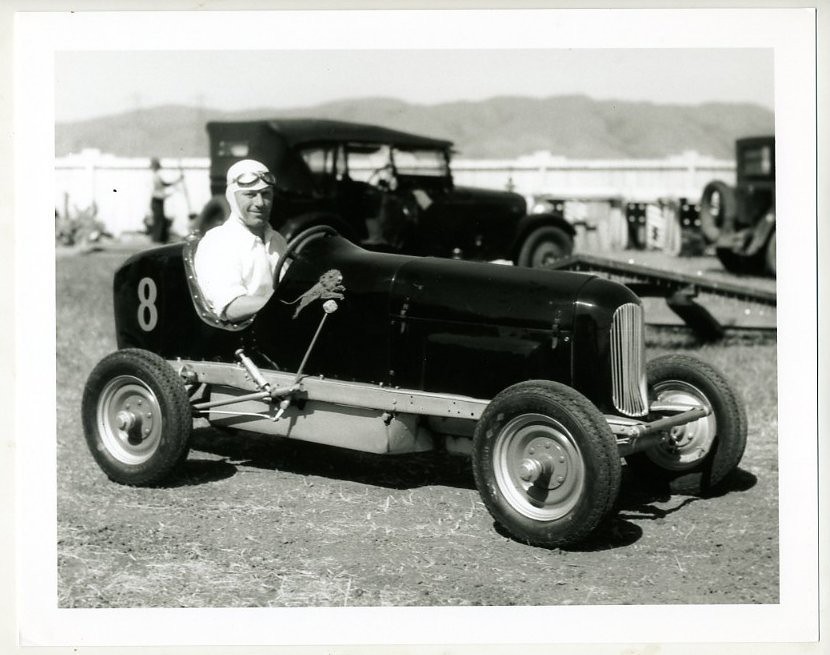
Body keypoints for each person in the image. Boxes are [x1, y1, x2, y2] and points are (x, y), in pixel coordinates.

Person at [194, 159, 288, 323]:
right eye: (250, 195)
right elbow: (231, 308)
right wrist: (287, 302)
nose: (259, 203)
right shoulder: (218, 243)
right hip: (239, 340)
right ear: (232, 198)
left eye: (266, 194)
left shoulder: (278, 240)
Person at [149, 157, 182, 243]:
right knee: (159, 219)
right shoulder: (156, 175)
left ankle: (158, 238)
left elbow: (164, 185)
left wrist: (176, 181)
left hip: (157, 199)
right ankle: (157, 239)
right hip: (157, 199)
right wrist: (177, 182)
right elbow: (163, 185)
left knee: (159, 219)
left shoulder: (155, 175)